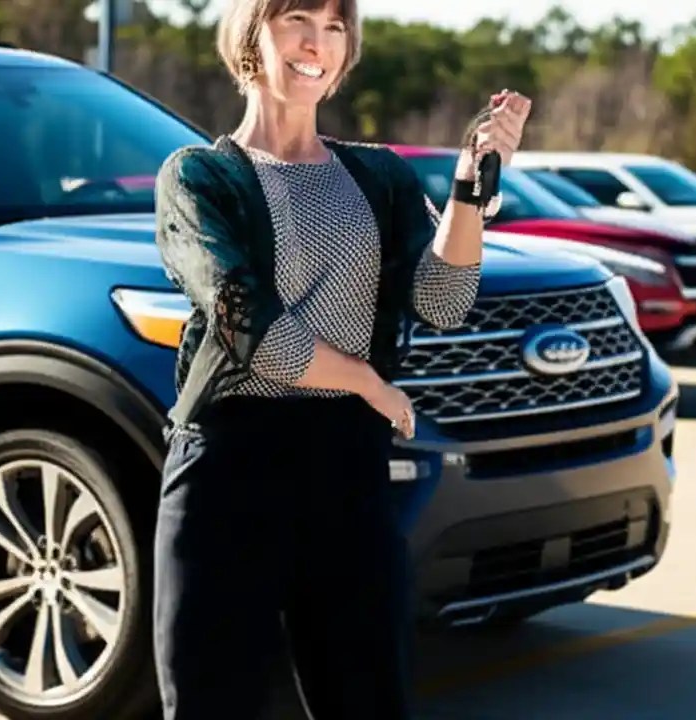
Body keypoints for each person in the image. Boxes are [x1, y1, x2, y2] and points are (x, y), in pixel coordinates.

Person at [149, 0, 532, 717]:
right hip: (230, 471)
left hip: (346, 473)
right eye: (296, 19)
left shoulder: (378, 176)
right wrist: (366, 381)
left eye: (333, 26)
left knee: (367, 700)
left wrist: (470, 191)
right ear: (251, 36)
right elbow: (248, 325)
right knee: (212, 704)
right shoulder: (199, 178)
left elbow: (442, 300)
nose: (316, 43)